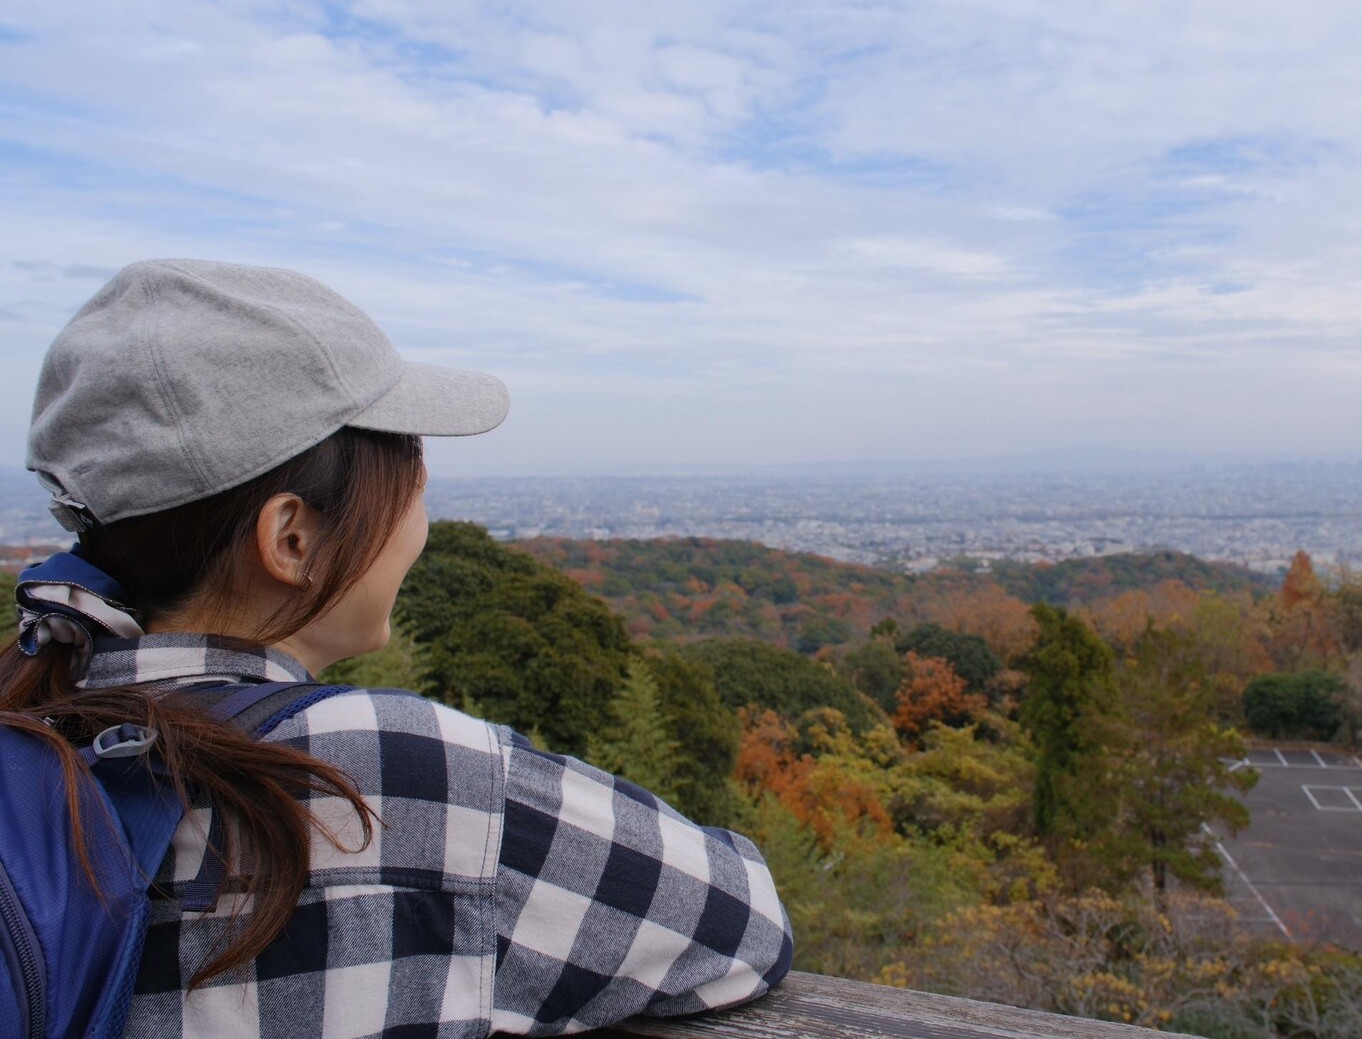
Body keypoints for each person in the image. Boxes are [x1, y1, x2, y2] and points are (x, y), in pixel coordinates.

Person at [4, 259, 792, 1037]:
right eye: (408, 477)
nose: (420, 518)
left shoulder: (35, 715)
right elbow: (743, 920)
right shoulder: (386, 770)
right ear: (292, 536)